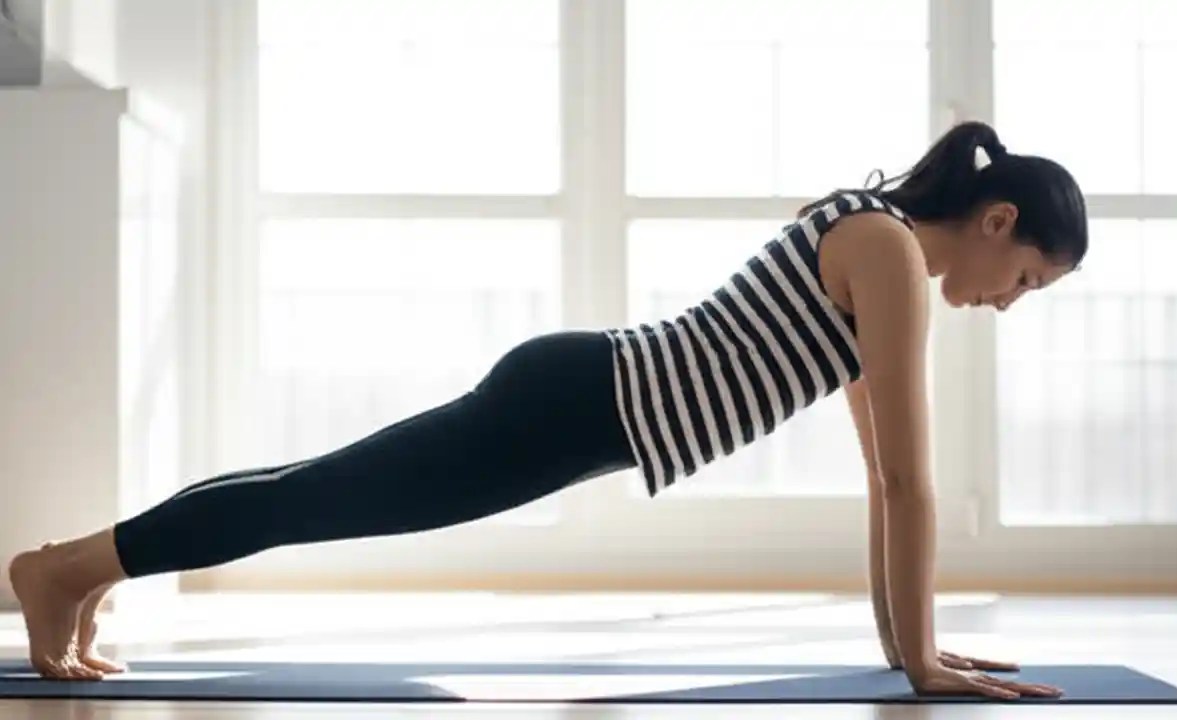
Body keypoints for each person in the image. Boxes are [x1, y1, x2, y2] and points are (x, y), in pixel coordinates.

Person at [7, 120, 1085, 699]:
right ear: (997, 221)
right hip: (572, 405)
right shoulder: (886, 254)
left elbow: (882, 480)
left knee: (315, 490)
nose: (1010, 302)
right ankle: (63, 571)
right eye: (1027, 280)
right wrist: (923, 660)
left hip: (574, 398)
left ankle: (84, 567)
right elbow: (908, 481)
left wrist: (909, 651)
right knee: (319, 499)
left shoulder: (875, 242)